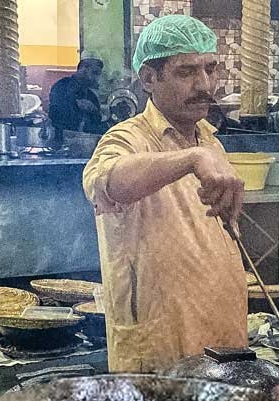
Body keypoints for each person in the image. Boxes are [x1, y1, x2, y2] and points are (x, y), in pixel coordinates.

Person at [82, 15, 248, 373]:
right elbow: (107, 181)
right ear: (148, 79)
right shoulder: (128, 138)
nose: (204, 84)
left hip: (222, 342)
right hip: (162, 353)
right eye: (186, 72)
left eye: (210, 69)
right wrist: (191, 158)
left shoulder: (209, 140)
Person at [49, 58, 106, 135]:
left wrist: (94, 111)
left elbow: (96, 123)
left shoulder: (91, 96)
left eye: (98, 75)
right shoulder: (62, 86)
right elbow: (56, 113)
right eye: (95, 73)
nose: (97, 78)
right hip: (62, 137)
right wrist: (75, 105)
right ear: (84, 70)